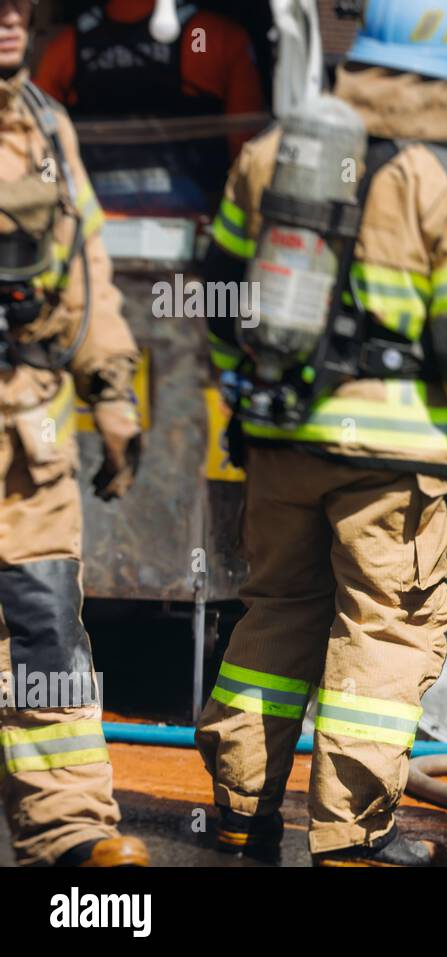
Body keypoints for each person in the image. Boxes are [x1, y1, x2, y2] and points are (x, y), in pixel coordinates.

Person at [194, 0, 447, 867]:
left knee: (275, 613)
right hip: (393, 463)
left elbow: (218, 295)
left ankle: (241, 811)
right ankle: (351, 836)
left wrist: (245, 400)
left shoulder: (274, 153)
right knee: (384, 631)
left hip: (282, 439)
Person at [0, 0, 146, 867]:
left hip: (30, 434)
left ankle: (70, 830)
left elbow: (88, 263)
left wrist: (112, 395)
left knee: (46, 628)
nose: (8, 21)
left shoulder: (49, 128)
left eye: (18, 5)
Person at [34, 0, 266, 214]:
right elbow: (246, 147)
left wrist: (49, 197)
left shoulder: (66, 45)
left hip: (94, 216)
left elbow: (39, 140)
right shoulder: (212, 36)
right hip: (195, 216)